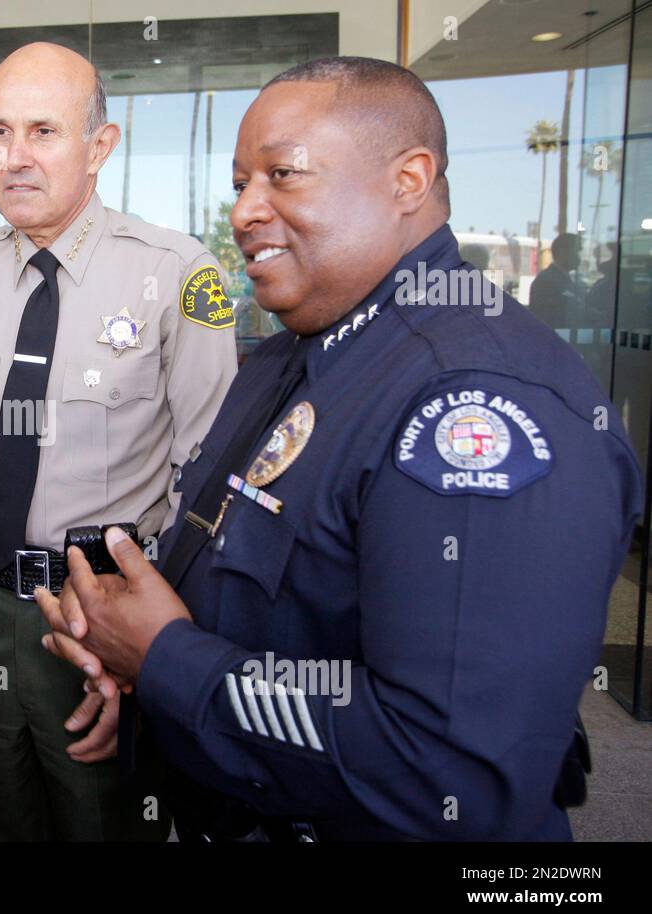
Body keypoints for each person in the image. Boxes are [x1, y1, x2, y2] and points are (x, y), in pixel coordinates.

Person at [36, 56, 643, 842]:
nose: (247, 211)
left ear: (409, 180)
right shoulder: (296, 355)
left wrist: (167, 660)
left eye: (284, 174)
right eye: (240, 184)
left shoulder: (472, 402)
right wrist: (137, 656)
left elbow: (447, 769)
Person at [0, 42, 239, 841]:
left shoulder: (175, 274)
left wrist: (163, 642)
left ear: (99, 146)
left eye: (44, 131)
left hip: (98, 611)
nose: (16, 157)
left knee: (105, 823)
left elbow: (204, 481)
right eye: (0, 132)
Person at [529, 232, 585, 337]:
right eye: (576, 251)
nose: (578, 258)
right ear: (563, 251)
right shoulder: (547, 281)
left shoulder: (565, 280)